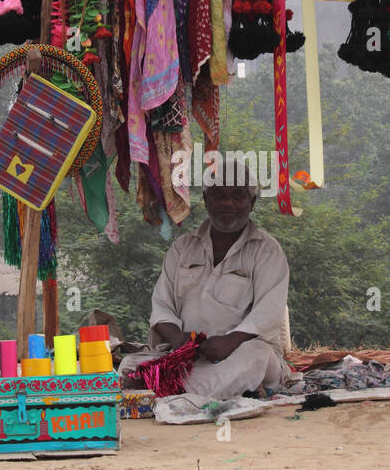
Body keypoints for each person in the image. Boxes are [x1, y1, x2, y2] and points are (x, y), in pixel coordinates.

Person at [119, 167, 292, 399]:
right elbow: (161, 306)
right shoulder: (182, 248)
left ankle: (176, 395)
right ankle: (187, 391)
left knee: (257, 356)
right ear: (206, 200)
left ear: (251, 203)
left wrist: (230, 341)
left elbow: (268, 312)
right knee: (129, 364)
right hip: (189, 356)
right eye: (219, 195)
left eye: (238, 196)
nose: (227, 203)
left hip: (241, 352)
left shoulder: (267, 250)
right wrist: (178, 340)